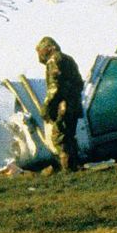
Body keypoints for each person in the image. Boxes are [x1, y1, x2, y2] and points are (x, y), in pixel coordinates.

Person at [36, 36, 84, 173]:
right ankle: (75, 165)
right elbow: (79, 83)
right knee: (70, 135)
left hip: (63, 106)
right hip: (74, 104)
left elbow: (54, 87)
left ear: (49, 48)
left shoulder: (54, 60)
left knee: (59, 137)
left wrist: (47, 107)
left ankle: (68, 168)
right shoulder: (68, 59)